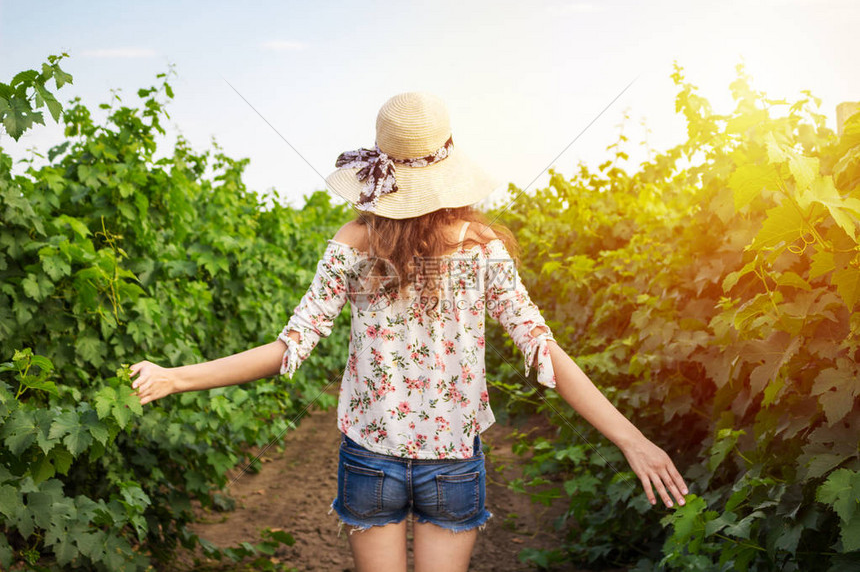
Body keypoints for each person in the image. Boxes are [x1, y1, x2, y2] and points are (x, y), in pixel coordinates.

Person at [130, 92, 688, 572]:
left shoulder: (352, 242)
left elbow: (287, 348)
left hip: (370, 455)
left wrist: (177, 377)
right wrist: (631, 440)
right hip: (452, 458)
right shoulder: (482, 247)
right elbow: (543, 350)